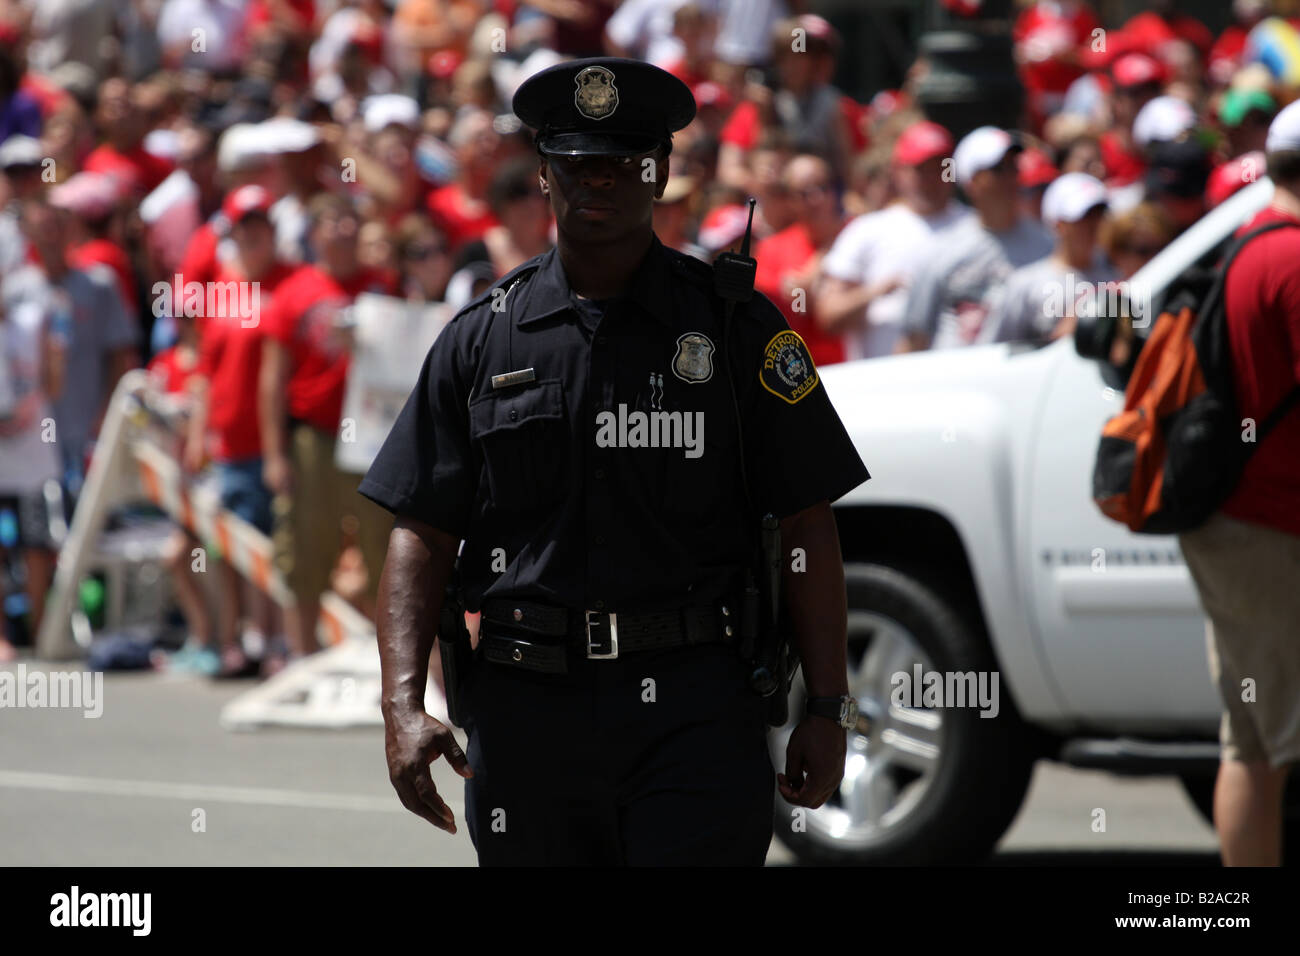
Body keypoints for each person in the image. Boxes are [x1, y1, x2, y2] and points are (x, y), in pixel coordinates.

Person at [360, 57, 870, 866]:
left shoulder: (737, 330)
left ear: (660, 172)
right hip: (528, 717)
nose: (598, 181)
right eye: (576, 165)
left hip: (696, 710)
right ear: (543, 176)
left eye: (623, 163)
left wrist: (829, 705)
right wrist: (400, 705)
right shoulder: (480, 337)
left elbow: (808, 519)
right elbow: (421, 527)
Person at [1177, 100, 1300, 867]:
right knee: (1275, 738)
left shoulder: (1253, 242)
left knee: (1250, 739)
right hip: (1271, 525)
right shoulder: (1291, 257)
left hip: (1236, 522)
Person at [259, 192, 395, 660]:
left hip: (377, 439)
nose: (344, 229)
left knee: (384, 551)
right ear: (314, 232)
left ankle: (393, 672)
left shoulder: (384, 288)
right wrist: (275, 455)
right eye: (334, 219)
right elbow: (273, 380)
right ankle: (303, 661)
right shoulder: (294, 292)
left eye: (351, 219)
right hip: (314, 436)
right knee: (305, 552)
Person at [816, 120, 969, 359]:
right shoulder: (867, 230)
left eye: (938, 167)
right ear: (898, 172)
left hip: (960, 378)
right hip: (884, 385)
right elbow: (829, 314)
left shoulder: (974, 227)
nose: (930, 178)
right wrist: (878, 291)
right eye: (920, 169)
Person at [897, 126, 1051, 352]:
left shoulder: (1048, 245)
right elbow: (915, 338)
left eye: (1013, 167)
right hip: (958, 380)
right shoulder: (942, 249)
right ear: (972, 182)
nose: (1010, 177)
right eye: (998, 169)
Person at [978, 171, 1117, 345]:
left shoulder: (1117, 278)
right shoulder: (1026, 284)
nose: (1094, 225)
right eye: (1085, 217)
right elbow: (997, 350)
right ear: (1059, 224)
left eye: (1099, 214)